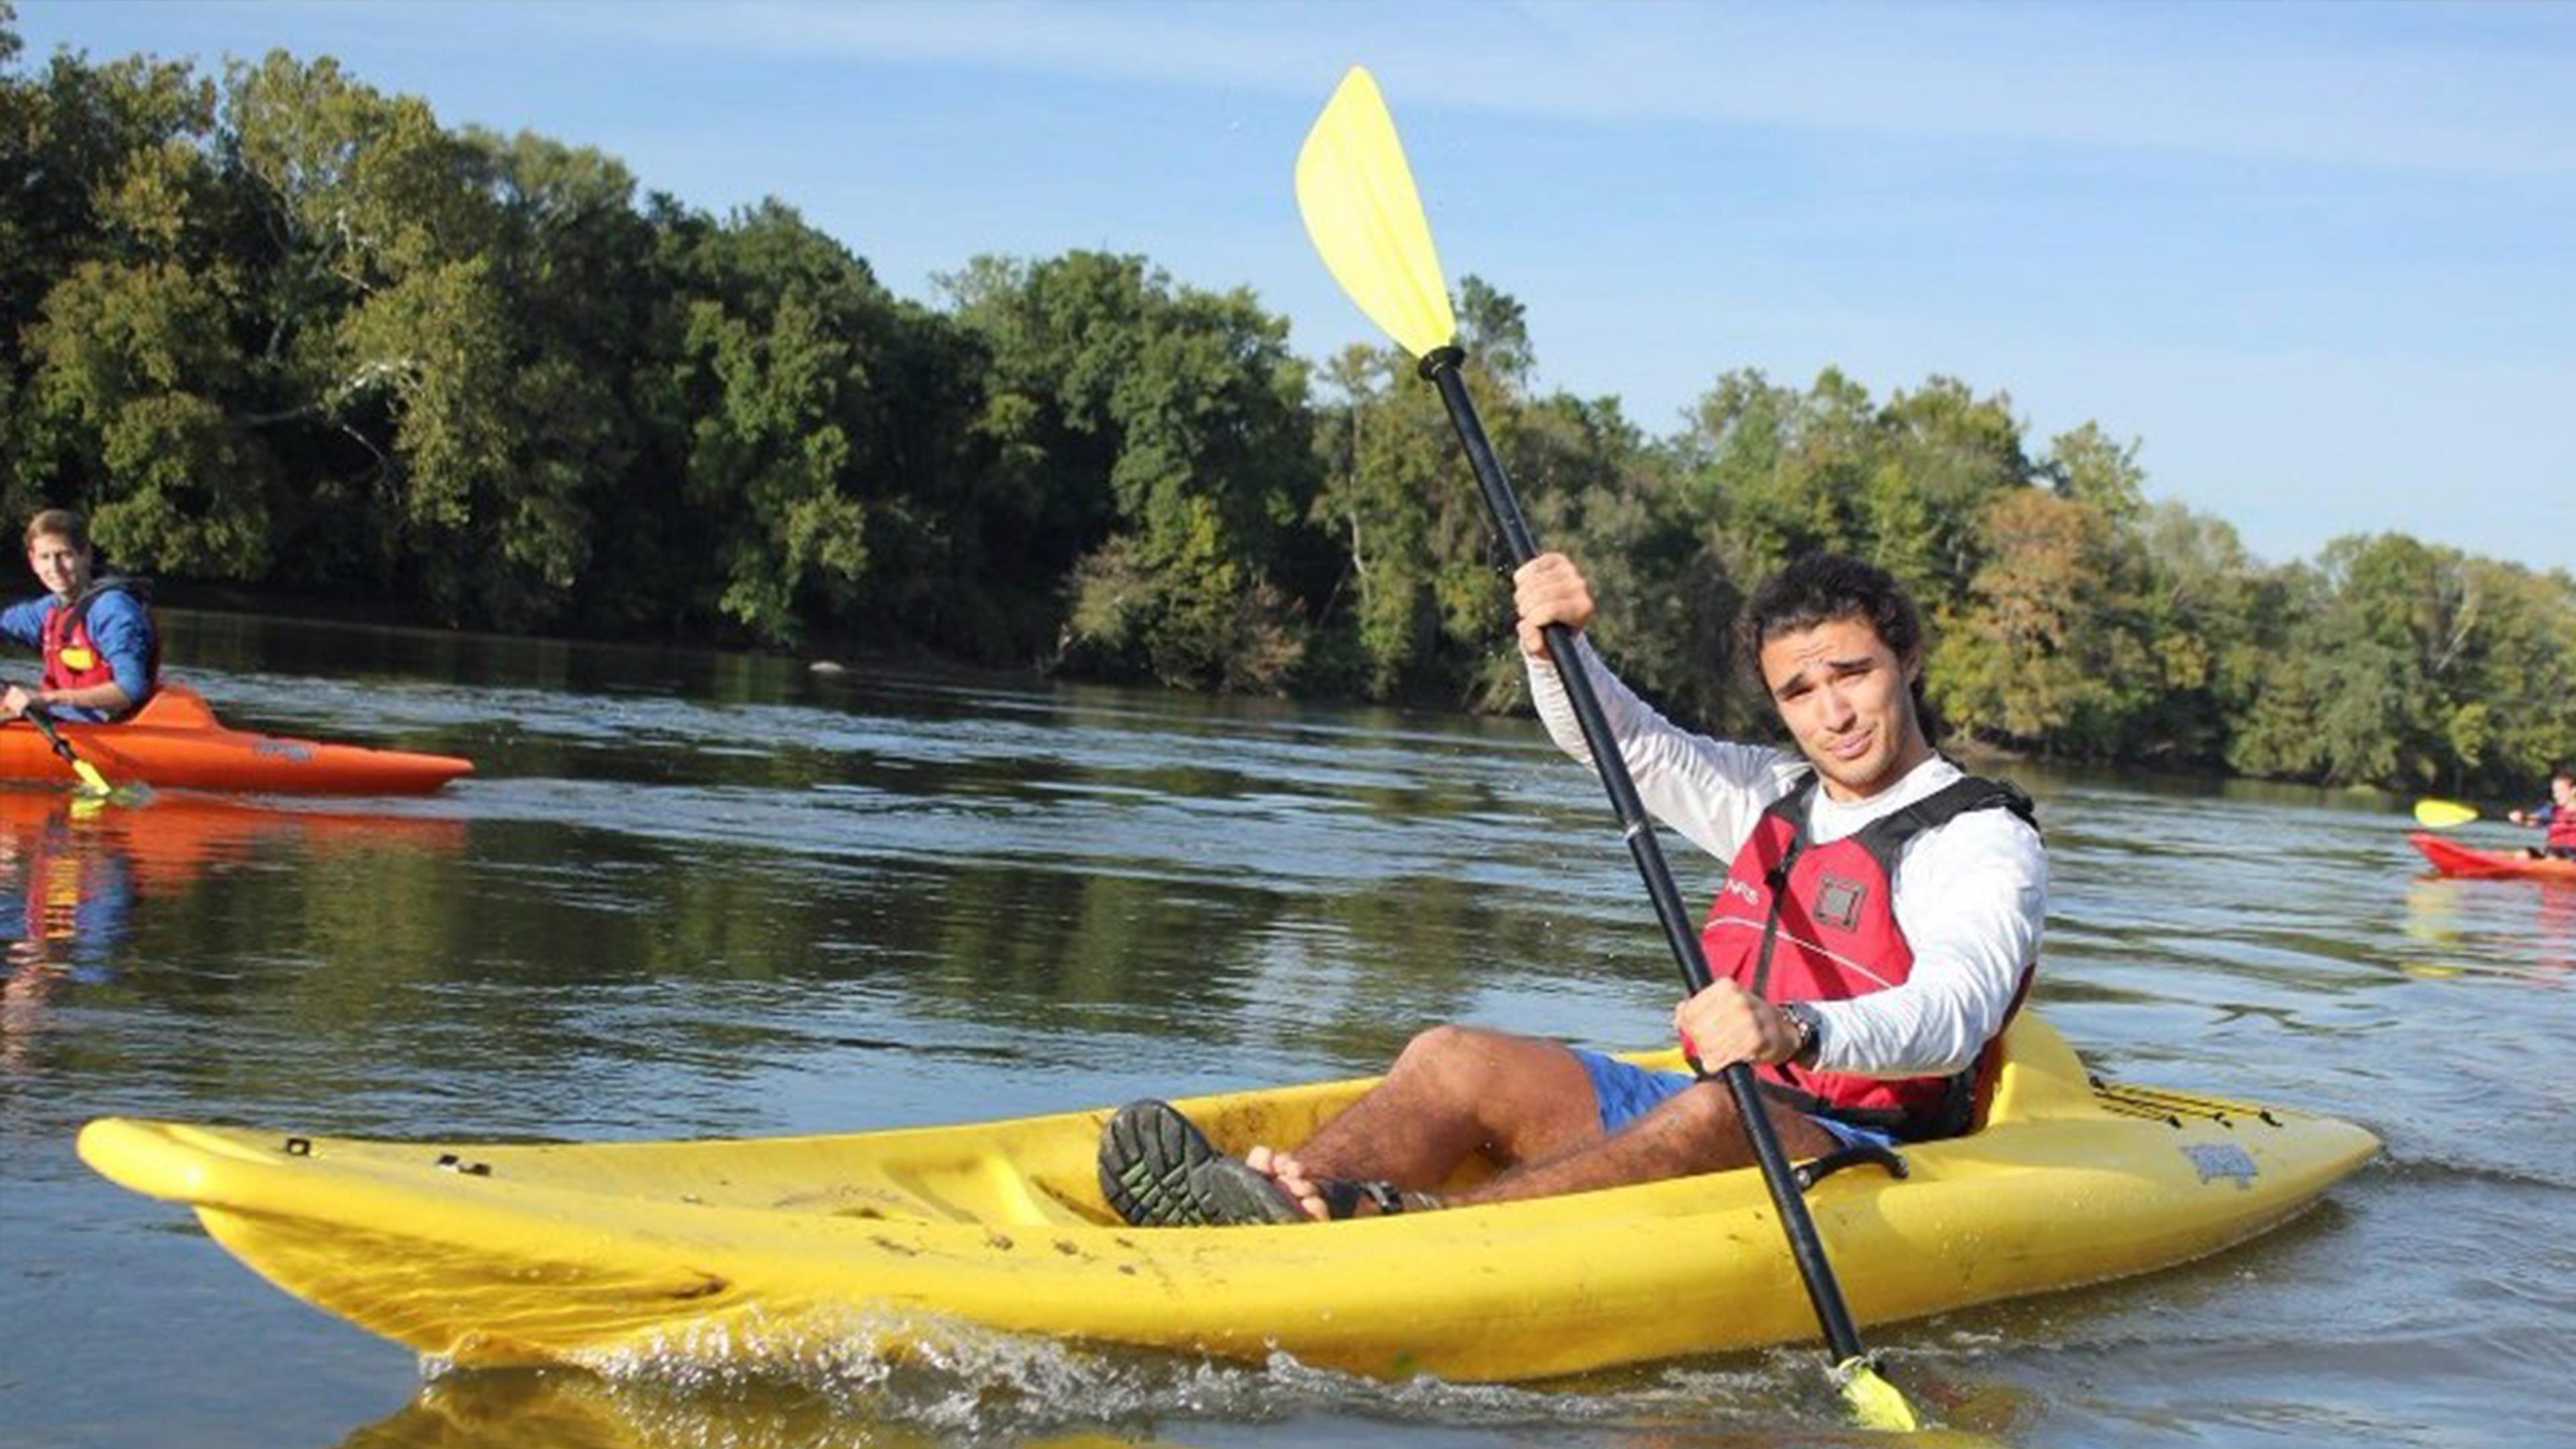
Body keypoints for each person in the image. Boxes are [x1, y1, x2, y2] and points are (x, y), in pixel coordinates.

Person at [1099, 549, 2048, 1226]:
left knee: (1720, 1107)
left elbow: (1956, 1011)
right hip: (1722, 1104)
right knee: (1449, 1054)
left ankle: (1410, 1233)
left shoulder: (1976, 837)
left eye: (1854, 674)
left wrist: (1795, 1027)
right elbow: (1620, 742)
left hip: (1869, 1149)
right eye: (1800, 692)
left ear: (1906, 661)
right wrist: (1556, 646)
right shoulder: (1773, 795)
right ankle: (1283, 1199)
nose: (1833, 712)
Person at [0, 509, 158, 723]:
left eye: (64, 555)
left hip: (102, 729)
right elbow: (5, 625)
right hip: (57, 717)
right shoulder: (51, 608)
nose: (54, 568)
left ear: (86, 555)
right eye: (45, 557)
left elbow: (130, 689)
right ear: (33, 561)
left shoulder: (113, 609)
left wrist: (48, 699)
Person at [2506, 766, 2576, 861]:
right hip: (2552, 853)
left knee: (2553, 858)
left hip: (2572, 857)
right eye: (2555, 792)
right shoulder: (2552, 810)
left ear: (2574, 790)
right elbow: (2532, 820)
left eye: (2561, 791)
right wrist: (2521, 818)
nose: (2556, 795)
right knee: (2522, 855)